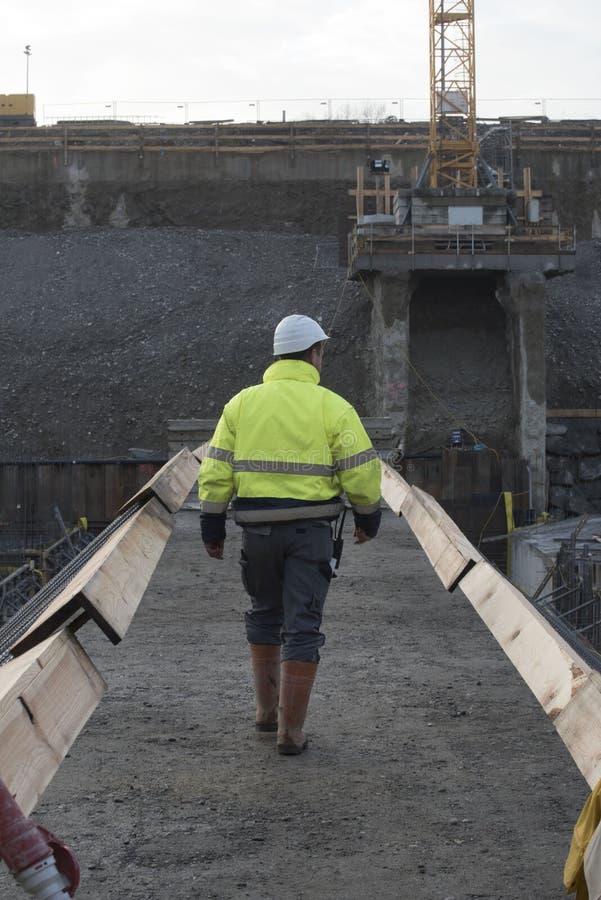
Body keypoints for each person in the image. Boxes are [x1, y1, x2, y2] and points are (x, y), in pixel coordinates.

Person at [198, 314, 381, 755]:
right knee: (302, 626)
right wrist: (367, 517)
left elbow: (216, 468)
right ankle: (291, 733)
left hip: (256, 534)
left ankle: (265, 714)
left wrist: (211, 524)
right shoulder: (333, 406)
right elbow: (361, 471)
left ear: (277, 355)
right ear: (314, 354)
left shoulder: (240, 404)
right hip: (310, 532)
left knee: (264, 611)